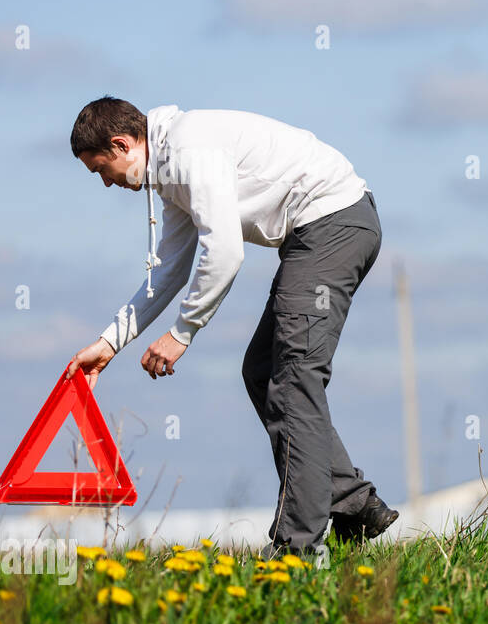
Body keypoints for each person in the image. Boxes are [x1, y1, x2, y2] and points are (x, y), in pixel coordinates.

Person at [65, 96, 398, 554]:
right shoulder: (170, 173)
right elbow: (168, 270)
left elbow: (223, 252)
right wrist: (109, 343)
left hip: (332, 222)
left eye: (101, 170)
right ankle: (353, 504)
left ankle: (297, 547)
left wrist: (182, 333)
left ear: (122, 144)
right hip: (320, 231)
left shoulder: (188, 153)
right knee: (263, 370)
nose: (106, 183)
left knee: (295, 377)